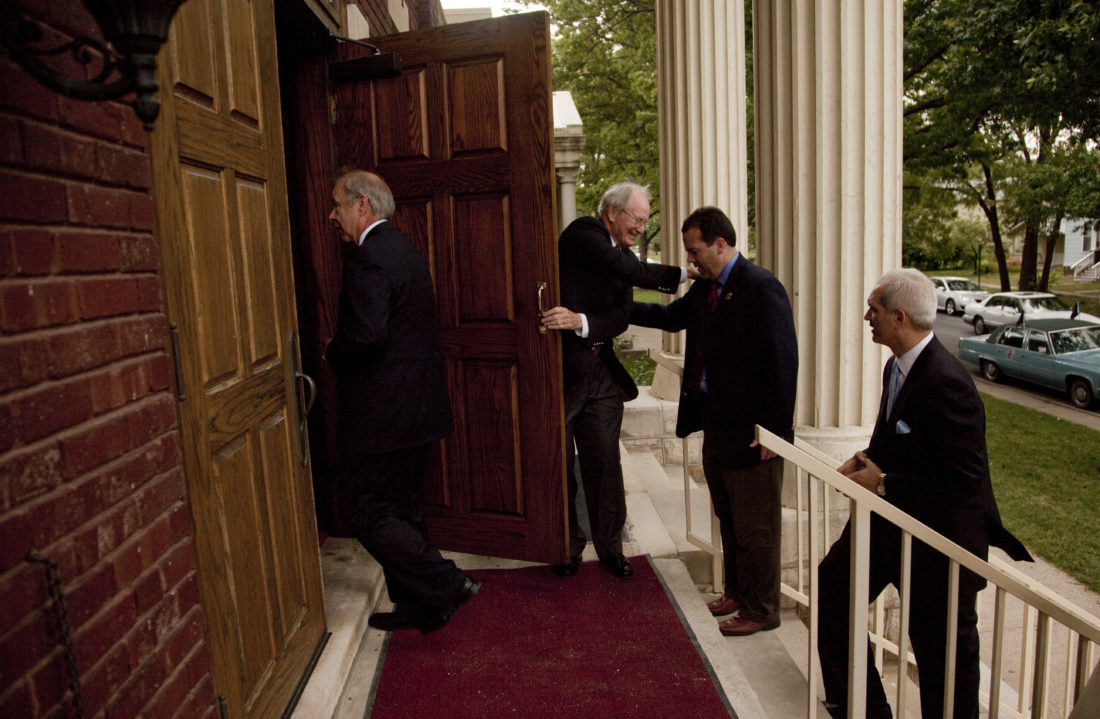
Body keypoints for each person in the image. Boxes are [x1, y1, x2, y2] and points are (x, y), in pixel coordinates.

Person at [817, 269, 1033, 719]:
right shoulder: (894, 366)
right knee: (833, 588)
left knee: (944, 663)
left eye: (873, 310)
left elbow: (963, 480)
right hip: (888, 525)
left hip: (940, 543)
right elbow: (900, 442)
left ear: (898, 317)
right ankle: (861, 707)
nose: (864, 317)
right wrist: (866, 459)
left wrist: (883, 482)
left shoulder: (948, 381)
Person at [630, 206, 798, 635]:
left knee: (757, 527)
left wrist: (775, 433)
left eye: (695, 250)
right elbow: (669, 318)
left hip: (753, 435)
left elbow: (783, 364)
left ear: (720, 245)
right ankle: (738, 594)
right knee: (729, 516)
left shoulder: (761, 287)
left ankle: (761, 610)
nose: (691, 261)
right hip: (716, 426)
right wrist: (616, 306)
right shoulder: (707, 289)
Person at [325, 169, 478, 633]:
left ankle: (444, 581)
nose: (333, 214)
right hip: (417, 412)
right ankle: (424, 605)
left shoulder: (369, 257)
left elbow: (368, 335)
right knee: (403, 509)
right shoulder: (404, 249)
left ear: (362, 206)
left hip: (384, 418)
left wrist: (333, 350)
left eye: (337, 204)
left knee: (364, 509)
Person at [540, 182, 689, 579]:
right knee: (559, 465)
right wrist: (681, 275)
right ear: (612, 213)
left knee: (605, 465)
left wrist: (583, 322)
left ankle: (610, 548)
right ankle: (566, 547)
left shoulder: (621, 255)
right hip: (563, 373)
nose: (641, 227)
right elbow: (625, 271)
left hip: (602, 375)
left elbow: (621, 316)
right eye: (637, 219)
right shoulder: (583, 234)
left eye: (645, 221)